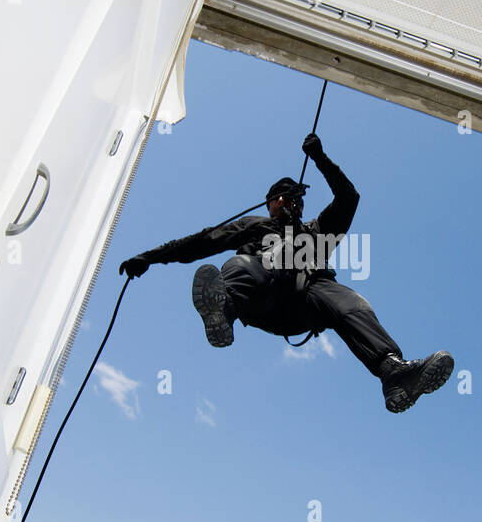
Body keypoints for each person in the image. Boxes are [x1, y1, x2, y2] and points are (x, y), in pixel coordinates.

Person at [119, 133, 453, 413]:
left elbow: (349, 198)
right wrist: (150, 257)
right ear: (269, 203)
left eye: (290, 197)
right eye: (278, 197)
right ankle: (223, 311)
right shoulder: (255, 226)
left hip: (300, 309)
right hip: (258, 299)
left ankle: (394, 374)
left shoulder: (315, 233)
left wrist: (320, 158)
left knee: (349, 300)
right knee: (253, 261)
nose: (284, 201)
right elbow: (204, 240)